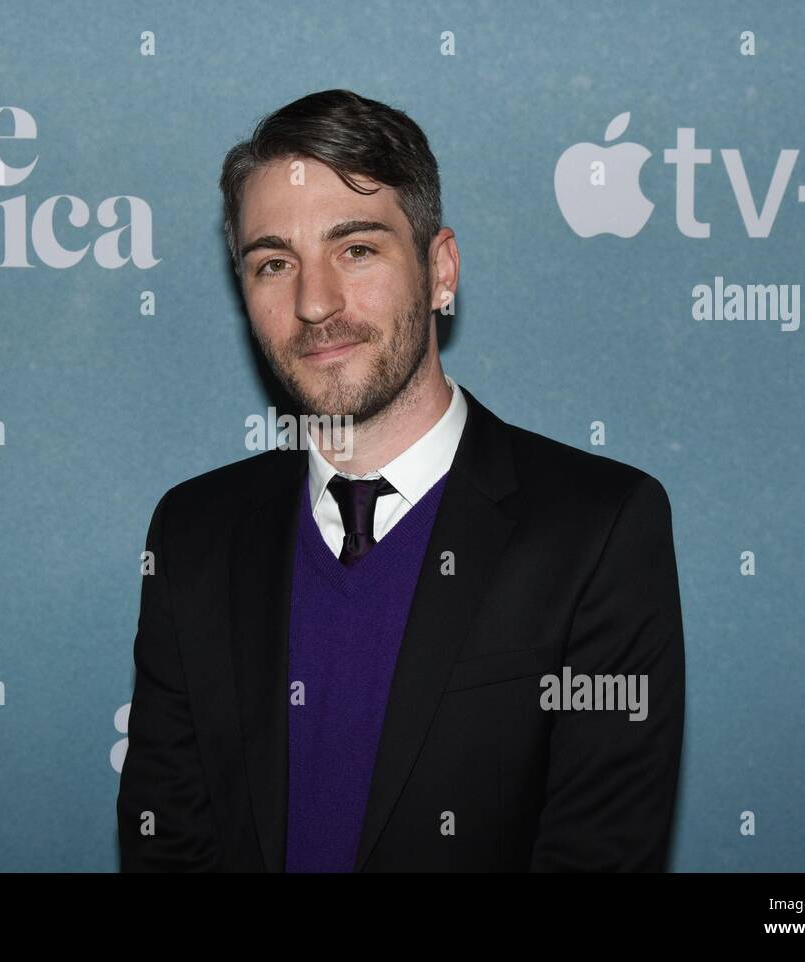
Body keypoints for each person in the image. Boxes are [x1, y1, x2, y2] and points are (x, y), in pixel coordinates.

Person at [116, 89, 685, 872]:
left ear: (440, 268)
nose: (315, 303)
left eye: (356, 249)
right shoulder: (194, 533)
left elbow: (599, 855)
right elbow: (168, 845)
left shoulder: (596, 528)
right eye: (274, 262)